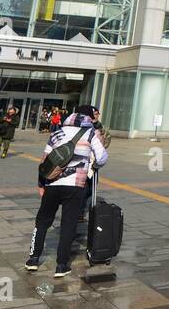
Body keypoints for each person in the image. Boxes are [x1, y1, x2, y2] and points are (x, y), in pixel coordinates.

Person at [26, 105, 108, 278]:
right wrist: (93, 166)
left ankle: (33, 259)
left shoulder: (57, 133)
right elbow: (102, 157)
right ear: (87, 118)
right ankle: (61, 265)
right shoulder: (90, 134)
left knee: (42, 221)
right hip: (76, 185)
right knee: (68, 224)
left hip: (52, 184)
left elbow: (45, 161)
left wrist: (41, 183)